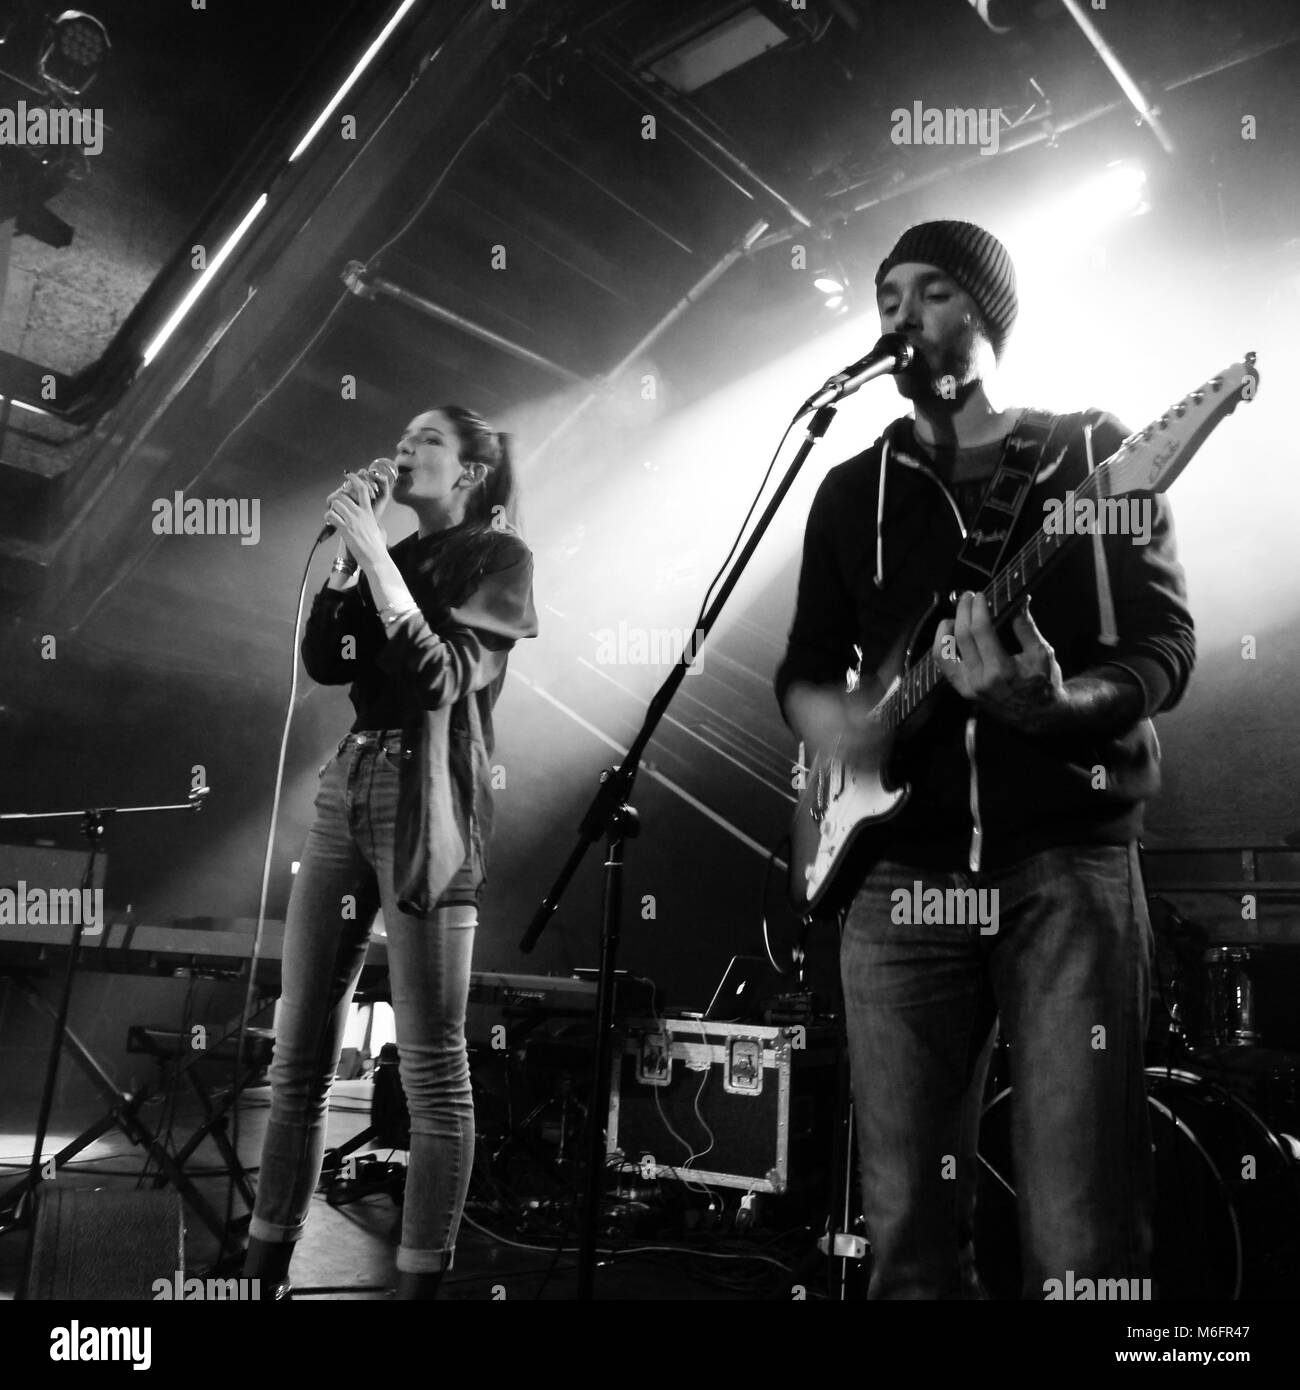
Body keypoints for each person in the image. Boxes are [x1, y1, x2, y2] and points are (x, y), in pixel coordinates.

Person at [775, 220, 1195, 1298]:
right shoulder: (847, 491)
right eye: (887, 296)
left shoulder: (1092, 453)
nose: (900, 315)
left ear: (986, 314)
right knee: (907, 1232)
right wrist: (836, 727)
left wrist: (1057, 708)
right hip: (899, 875)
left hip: (1062, 862)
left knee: (1081, 1237)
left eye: (931, 292)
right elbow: (806, 670)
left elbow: (1161, 646)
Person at [243, 405, 538, 1299]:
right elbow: (329, 665)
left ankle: (416, 1286)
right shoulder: (393, 554)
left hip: (431, 800)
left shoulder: (499, 561)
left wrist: (372, 554)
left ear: (472, 472)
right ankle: (260, 1270)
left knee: (432, 1060)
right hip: (348, 783)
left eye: (425, 443)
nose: (402, 450)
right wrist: (350, 560)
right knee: (298, 1046)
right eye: (400, 438)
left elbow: (443, 675)